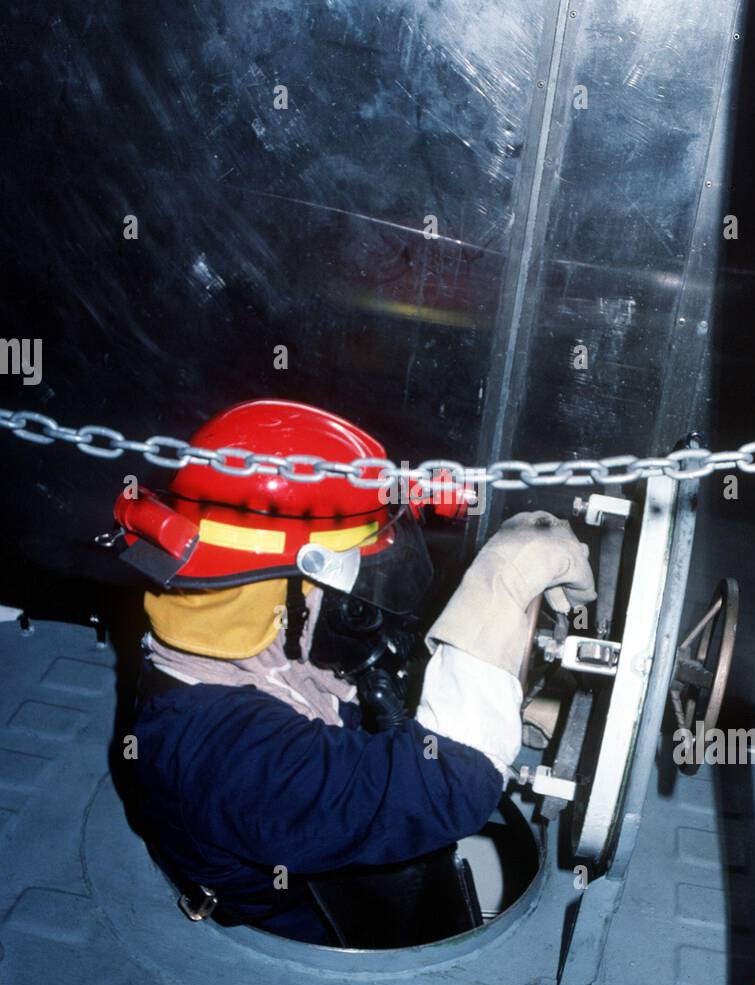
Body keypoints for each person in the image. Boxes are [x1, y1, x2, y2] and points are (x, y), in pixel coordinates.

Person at [110, 399, 595, 946]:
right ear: (282, 597)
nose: (360, 605)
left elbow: (354, 674)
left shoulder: (229, 636)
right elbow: (454, 787)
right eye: (346, 591)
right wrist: (505, 579)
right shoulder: (228, 757)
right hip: (312, 922)